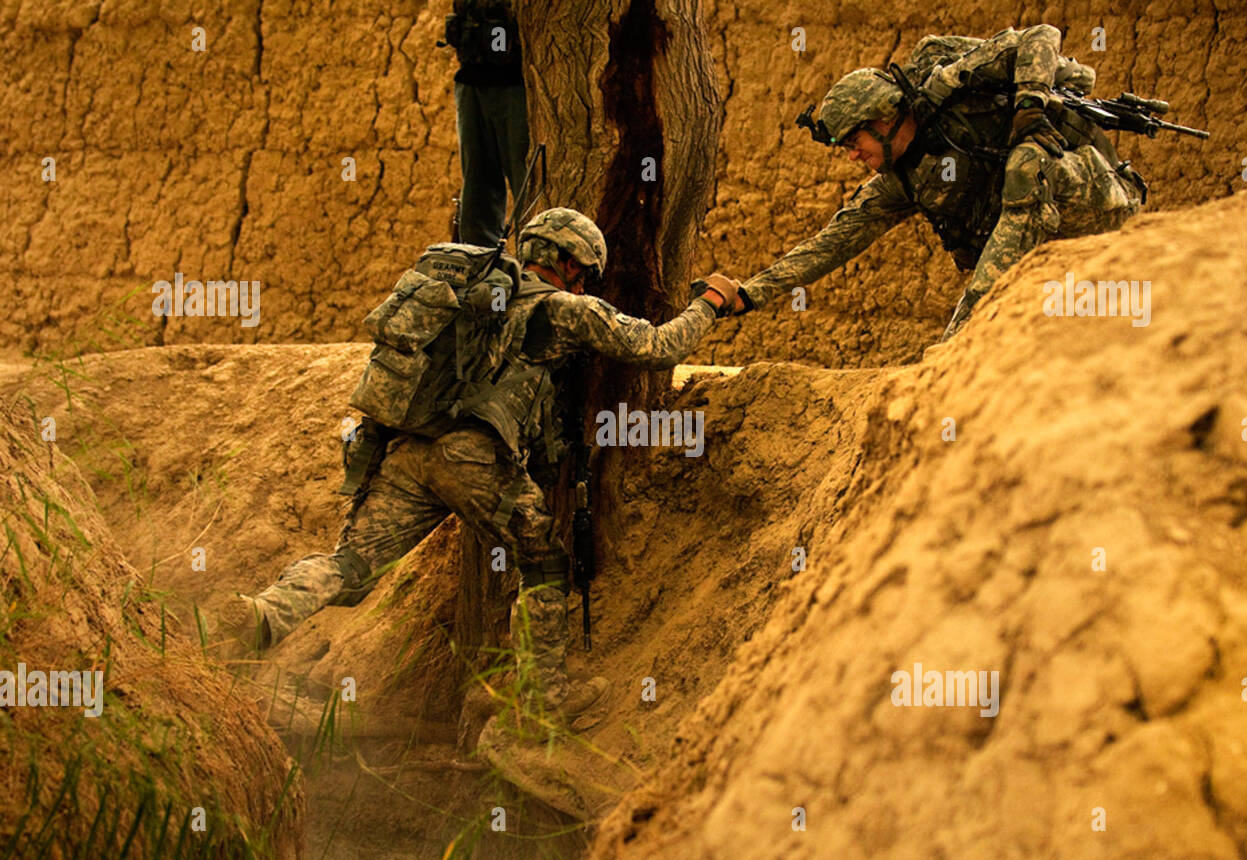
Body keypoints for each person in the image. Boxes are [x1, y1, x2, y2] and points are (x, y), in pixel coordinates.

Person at [229, 208, 742, 727]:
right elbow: (657, 347)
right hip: (474, 457)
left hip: (409, 449)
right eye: (584, 271)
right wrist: (709, 303)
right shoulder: (563, 309)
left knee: (353, 566)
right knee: (542, 562)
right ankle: (545, 701)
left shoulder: (473, 297)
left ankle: (263, 614)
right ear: (565, 261)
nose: (585, 283)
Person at [736, 25, 1148, 341]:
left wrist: (1030, 105)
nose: (853, 156)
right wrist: (748, 293)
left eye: (854, 141)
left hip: (1103, 201)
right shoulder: (902, 179)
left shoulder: (953, 87)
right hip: (1050, 250)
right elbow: (830, 243)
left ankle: (962, 341)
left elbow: (1042, 35)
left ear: (883, 119)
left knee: (1026, 165)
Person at [443, 0, 530, 246]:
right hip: (471, 79)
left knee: (527, 186)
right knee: (476, 189)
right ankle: (481, 271)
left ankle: (537, 270)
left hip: (517, 84)